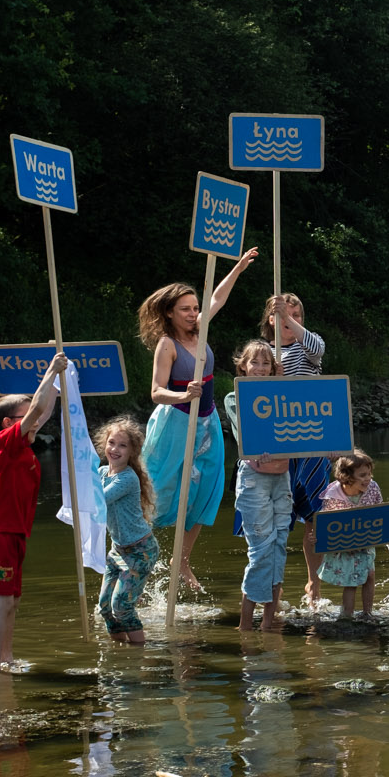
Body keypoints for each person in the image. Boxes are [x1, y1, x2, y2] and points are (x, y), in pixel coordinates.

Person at [139, 248, 260, 596]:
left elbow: (219, 297)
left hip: (206, 423)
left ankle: (182, 559)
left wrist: (237, 267)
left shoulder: (202, 330)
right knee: (160, 489)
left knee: (206, 492)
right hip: (175, 422)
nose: (193, 314)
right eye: (186, 310)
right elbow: (156, 392)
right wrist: (183, 395)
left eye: (195, 308)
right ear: (169, 313)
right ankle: (138, 549)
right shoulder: (167, 344)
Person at [0, 351, 67, 679]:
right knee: (2, 604)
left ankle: (8, 659)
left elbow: (44, 410)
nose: (34, 419)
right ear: (7, 423)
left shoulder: (25, 447)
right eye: (25, 415)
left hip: (15, 534)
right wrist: (49, 371)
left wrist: (59, 381)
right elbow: (37, 411)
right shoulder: (5, 443)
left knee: (13, 602)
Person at [261, 292, 332, 606]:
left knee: (315, 517)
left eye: (297, 315)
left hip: (312, 440)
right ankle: (273, 588)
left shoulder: (309, 349)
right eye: (283, 315)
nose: (291, 321)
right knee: (277, 518)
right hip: (277, 445)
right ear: (270, 320)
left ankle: (314, 584)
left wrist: (286, 318)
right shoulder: (265, 352)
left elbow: (318, 348)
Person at [222, 340, 291, 632]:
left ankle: (267, 623)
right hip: (254, 480)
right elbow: (248, 440)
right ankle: (245, 625)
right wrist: (259, 449)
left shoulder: (285, 395)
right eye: (254, 363)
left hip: (282, 480)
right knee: (261, 549)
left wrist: (327, 445)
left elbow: (302, 430)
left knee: (279, 547)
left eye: (266, 363)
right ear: (243, 366)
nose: (260, 369)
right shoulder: (233, 398)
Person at [92, 415, 156, 645]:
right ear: (104, 445)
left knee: (122, 606)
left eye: (122, 445)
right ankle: (120, 655)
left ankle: (139, 654)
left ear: (132, 452)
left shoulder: (127, 479)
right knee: (106, 608)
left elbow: (100, 501)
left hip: (140, 551)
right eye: (111, 443)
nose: (115, 449)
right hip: (118, 551)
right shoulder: (101, 473)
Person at [319, 452, 384, 619]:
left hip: (366, 539)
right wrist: (316, 537)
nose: (368, 478)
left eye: (369, 473)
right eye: (362, 475)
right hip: (345, 545)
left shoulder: (373, 488)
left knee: (369, 575)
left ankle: (367, 613)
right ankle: (346, 616)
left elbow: (381, 512)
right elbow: (325, 524)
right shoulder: (334, 495)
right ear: (346, 477)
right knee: (351, 581)